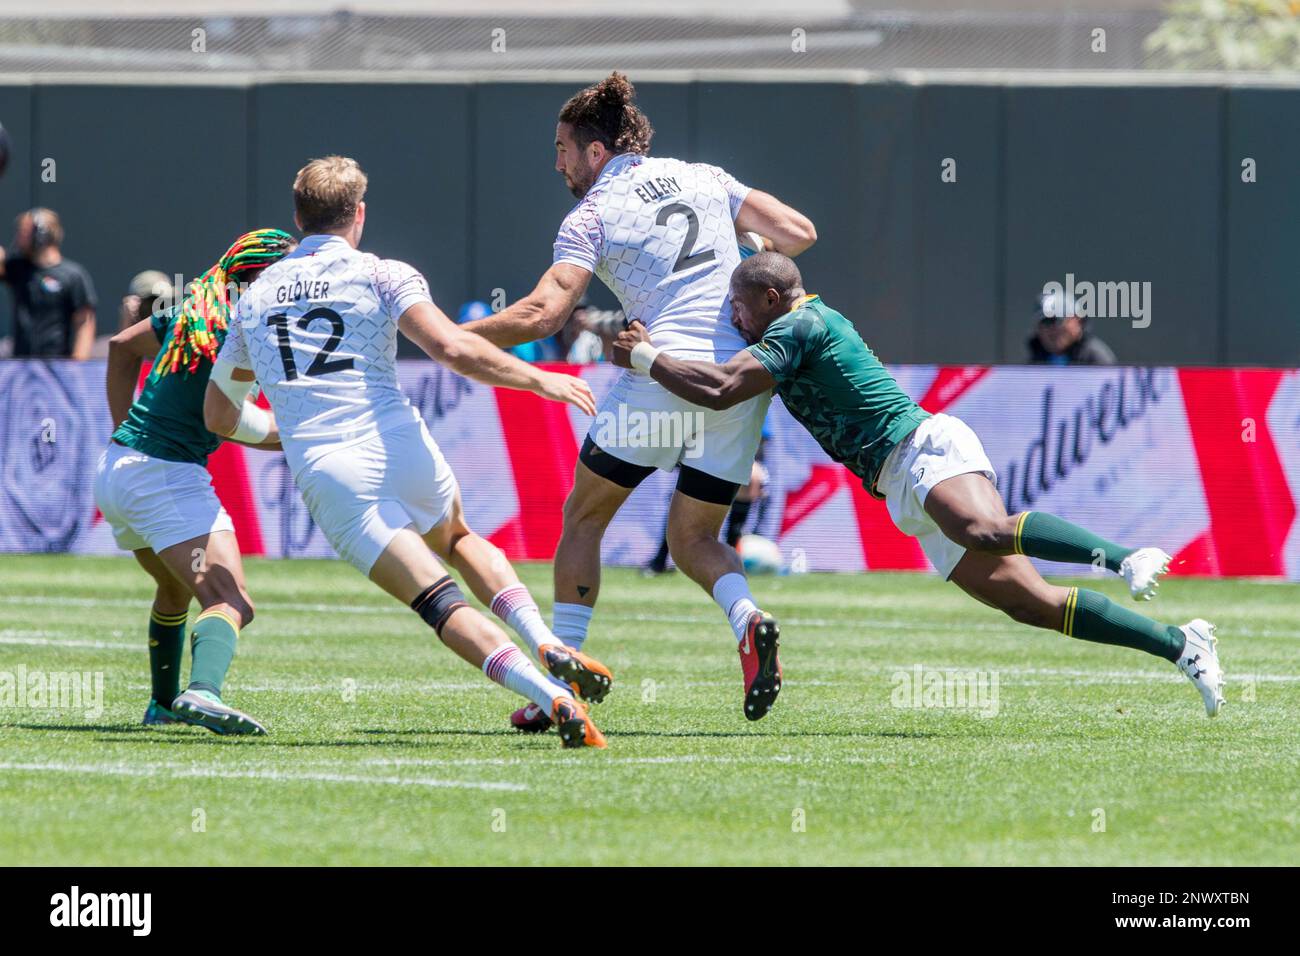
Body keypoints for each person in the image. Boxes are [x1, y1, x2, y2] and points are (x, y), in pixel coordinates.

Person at [612, 252, 1225, 718]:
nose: (734, 318)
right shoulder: (789, 318)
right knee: (1030, 603)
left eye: (739, 307)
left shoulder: (798, 326)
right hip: (899, 482)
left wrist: (646, 356)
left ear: (771, 298)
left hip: (920, 447)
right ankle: (1179, 644)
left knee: (982, 530)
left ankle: (1125, 559)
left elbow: (720, 386)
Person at [205, 156, 612, 748]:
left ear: (297, 217)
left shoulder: (255, 297)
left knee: (439, 601)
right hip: (399, 439)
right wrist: (540, 379)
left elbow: (219, 415)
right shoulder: (384, 273)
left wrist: (282, 431)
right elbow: (451, 346)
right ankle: (544, 639)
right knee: (460, 539)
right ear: (359, 214)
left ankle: (547, 695)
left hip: (329, 465)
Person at [463, 72, 817, 728]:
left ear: (597, 153)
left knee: (583, 518)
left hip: (660, 372)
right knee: (695, 537)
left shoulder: (592, 215)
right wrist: (749, 253)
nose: (558, 162)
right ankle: (748, 617)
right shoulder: (704, 177)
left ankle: (557, 683)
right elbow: (798, 233)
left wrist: (448, 338)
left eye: (564, 149)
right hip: (737, 379)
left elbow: (543, 313)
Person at [95, 228, 296, 734]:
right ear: (265, 276)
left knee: (173, 588)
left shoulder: (197, 308)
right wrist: (300, 435)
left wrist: (123, 431)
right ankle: (203, 692)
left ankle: (162, 705)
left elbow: (120, 347)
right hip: (164, 475)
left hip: (117, 472)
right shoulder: (247, 324)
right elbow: (222, 420)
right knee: (231, 600)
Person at [0, 208, 97, 359]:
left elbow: (84, 322)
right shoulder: (18, 268)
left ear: (41, 234)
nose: (18, 238)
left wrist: (78, 362)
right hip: (21, 365)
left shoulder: (72, 275)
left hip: (57, 366)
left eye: (23, 232)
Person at [1026, 290, 1116, 365]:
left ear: (1078, 321)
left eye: (1056, 320)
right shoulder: (1035, 360)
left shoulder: (1096, 359)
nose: (1052, 329)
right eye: (1045, 322)